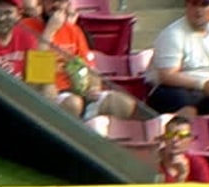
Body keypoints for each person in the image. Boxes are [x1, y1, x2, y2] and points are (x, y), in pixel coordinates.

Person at [21, 0, 149, 120]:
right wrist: (50, 31)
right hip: (49, 94)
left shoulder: (74, 30)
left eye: (62, 1)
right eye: (52, 1)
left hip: (78, 91)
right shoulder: (26, 27)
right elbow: (36, 75)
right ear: (42, 2)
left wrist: (93, 87)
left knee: (123, 103)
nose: (57, 6)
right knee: (73, 103)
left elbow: (90, 68)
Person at [155, 114, 209, 182]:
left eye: (182, 135)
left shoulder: (197, 163)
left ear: (190, 139)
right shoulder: (152, 164)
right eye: (170, 134)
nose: (175, 139)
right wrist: (181, 177)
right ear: (163, 138)